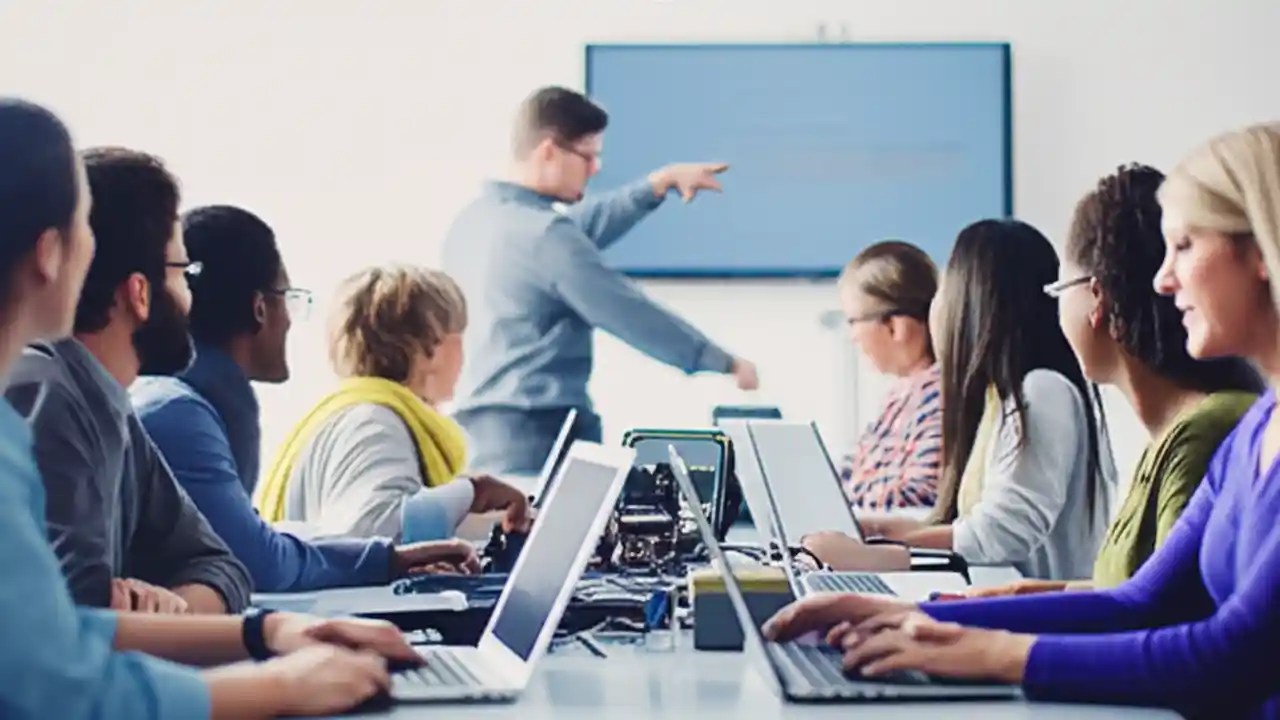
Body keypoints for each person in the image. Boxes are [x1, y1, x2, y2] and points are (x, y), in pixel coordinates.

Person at [763, 123, 1280, 718]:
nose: (1164, 280)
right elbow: (1137, 602)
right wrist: (907, 614)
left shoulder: (1220, 424)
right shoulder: (1254, 431)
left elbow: (1231, 656)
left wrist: (997, 655)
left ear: (1261, 251)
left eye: (1185, 245)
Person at [0, 95, 434, 720]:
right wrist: (282, 686)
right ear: (50, 253)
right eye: (83, 231)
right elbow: (58, 679)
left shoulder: (105, 406)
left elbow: (76, 626)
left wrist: (269, 632)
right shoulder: (37, 398)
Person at [131, 206, 484, 592]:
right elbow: (259, 561)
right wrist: (469, 495)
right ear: (260, 309)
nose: (289, 319)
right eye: (287, 298)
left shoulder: (176, 404)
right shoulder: (181, 415)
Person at [969, 164, 1261, 596]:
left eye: (1058, 290)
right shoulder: (1171, 433)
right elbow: (1133, 592)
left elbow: (1161, 614)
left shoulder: (1201, 434)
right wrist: (1028, 594)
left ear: (1096, 296)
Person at [441, 85, 758, 476]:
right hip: (538, 434)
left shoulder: (475, 222)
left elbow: (575, 231)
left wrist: (654, 186)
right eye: (587, 156)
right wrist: (722, 361)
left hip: (478, 434)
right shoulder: (545, 237)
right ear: (549, 151)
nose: (595, 169)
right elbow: (627, 310)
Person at [5, 146, 251, 613]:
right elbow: (75, 616)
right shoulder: (43, 391)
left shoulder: (110, 406)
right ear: (140, 292)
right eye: (182, 271)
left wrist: (170, 610)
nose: (189, 294)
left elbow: (223, 567)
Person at [804, 219, 1115, 580]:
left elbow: (1002, 534)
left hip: (1026, 607)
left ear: (973, 301)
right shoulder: (1003, 398)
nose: (937, 307)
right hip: (997, 594)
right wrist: (893, 531)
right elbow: (982, 526)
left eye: (946, 289)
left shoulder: (1042, 390)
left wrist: (878, 553)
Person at [256, 264, 531, 541]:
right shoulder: (374, 424)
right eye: (459, 334)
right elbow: (373, 534)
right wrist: (471, 492)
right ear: (433, 347)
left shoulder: (353, 414)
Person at [835, 240, 941, 511]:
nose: (852, 337)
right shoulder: (899, 397)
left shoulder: (940, 398)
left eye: (853, 321)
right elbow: (850, 470)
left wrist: (841, 498)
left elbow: (920, 494)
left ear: (896, 326)